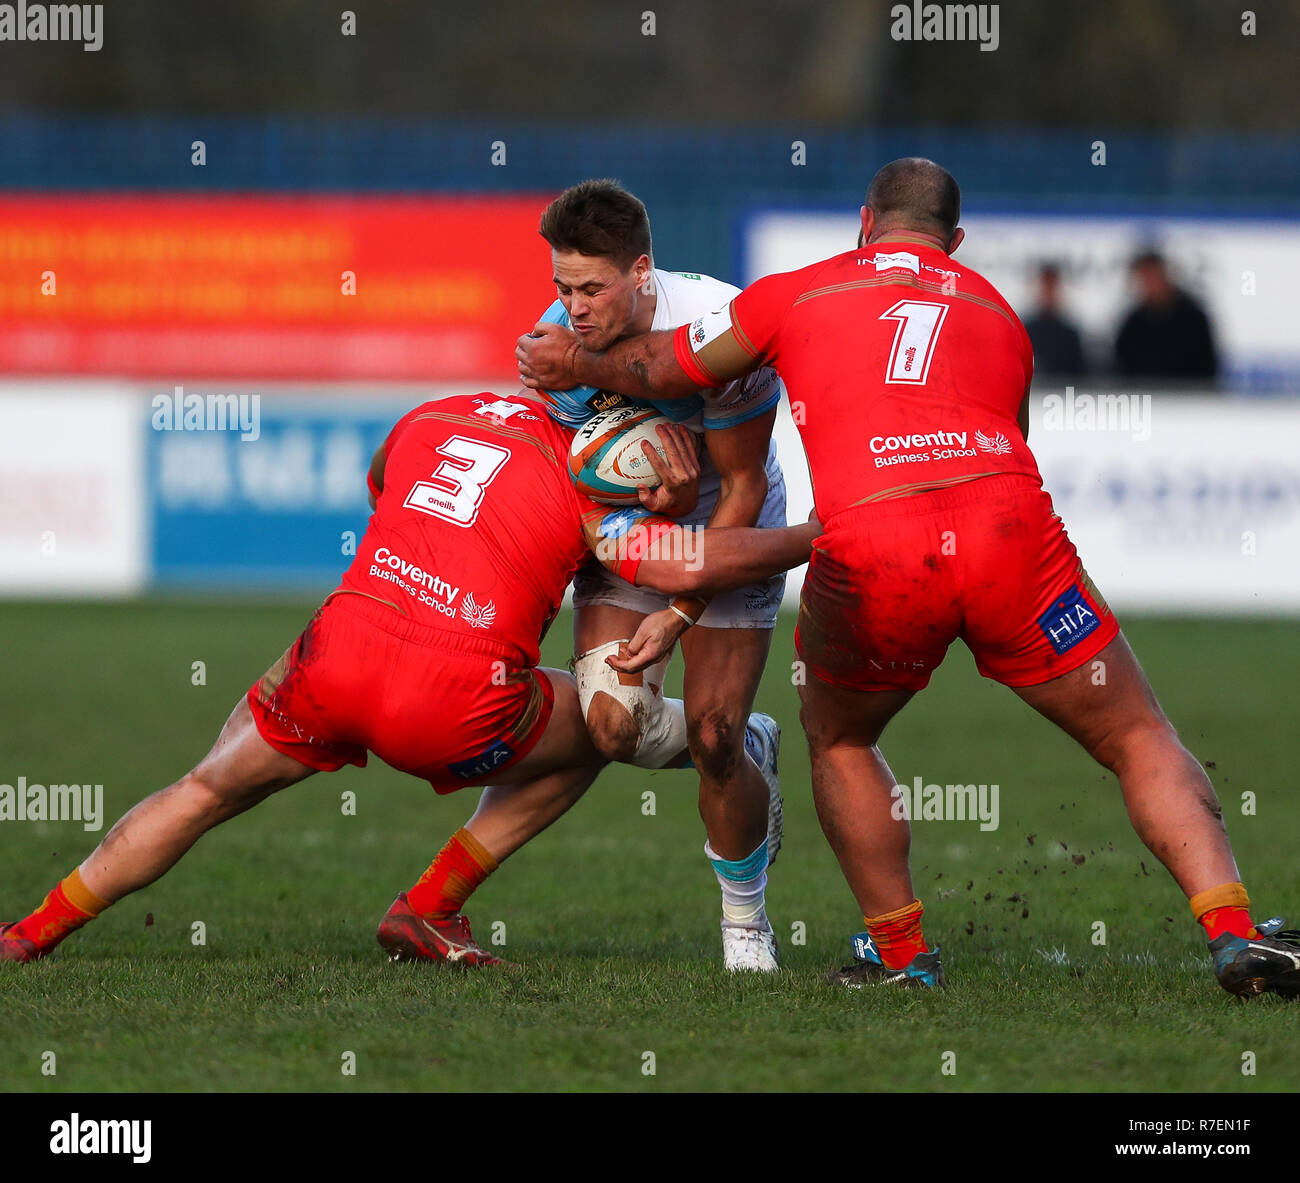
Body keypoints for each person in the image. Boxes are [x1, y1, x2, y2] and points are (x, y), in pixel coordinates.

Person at [515, 159, 1299, 999]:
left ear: (863, 220)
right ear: (954, 243)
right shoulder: (1000, 310)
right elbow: (1015, 438)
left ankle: (902, 955)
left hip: (876, 546)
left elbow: (664, 370)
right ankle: (1233, 932)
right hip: (1010, 534)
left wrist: (576, 364)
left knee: (844, 740)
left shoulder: (797, 291)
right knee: (1139, 734)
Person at [0, 394, 817, 968]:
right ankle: (430, 903)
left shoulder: (435, 413)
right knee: (603, 722)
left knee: (204, 786)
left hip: (337, 649)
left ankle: (31, 931)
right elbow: (691, 563)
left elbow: (384, 477)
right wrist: (803, 535)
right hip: (453, 696)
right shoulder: (592, 496)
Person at [530, 180, 790, 971]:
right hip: (633, 526)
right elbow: (572, 477)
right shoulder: (552, 345)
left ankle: (744, 923)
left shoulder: (721, 330)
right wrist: (636, 498)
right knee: (612, 724)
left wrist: (680, 607)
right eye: (562, 288)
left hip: (731, 523)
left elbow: (741, 488)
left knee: (711, 738)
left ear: (642, 271)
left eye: (592, 288)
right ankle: (756, 744)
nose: (573, 309)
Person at [1114, 249, 1218, 381]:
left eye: (1153, 276)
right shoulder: (1133, 324)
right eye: (1144, 279)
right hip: (1145, 396)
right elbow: (1122, 368)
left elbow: (1206, 367)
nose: (1149, 285)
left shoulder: (1194, 320)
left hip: (1188, 397)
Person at [1023, 261, 1087, 378]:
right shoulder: (1024, 334)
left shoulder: (1070, 336)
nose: (1048, 293)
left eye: (1052, 287)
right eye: (1045, 287)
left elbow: (1079, 378)